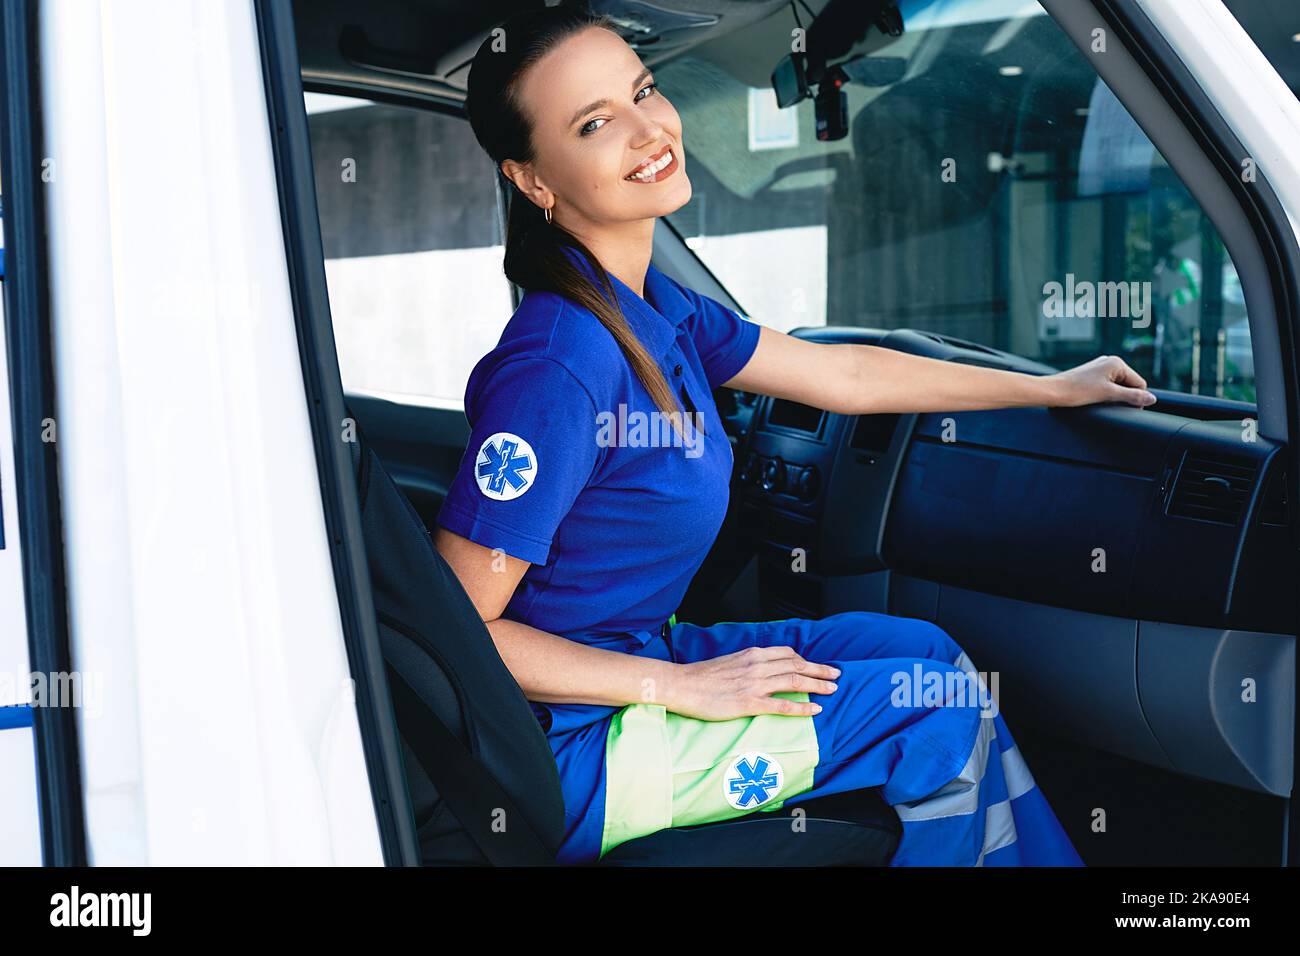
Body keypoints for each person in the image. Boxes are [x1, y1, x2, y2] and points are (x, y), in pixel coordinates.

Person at [436, 2, 1153, 866]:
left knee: (923, 654)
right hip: (572, 751)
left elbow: (844, 377)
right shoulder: (560, 367)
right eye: (594, 123)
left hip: (631, 661)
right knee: (937, 710)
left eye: (644, 91)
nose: (647, 130)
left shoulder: (651, 308)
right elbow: (460, 627)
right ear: (533, 179)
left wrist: (1047, 388)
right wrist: (678, 685)